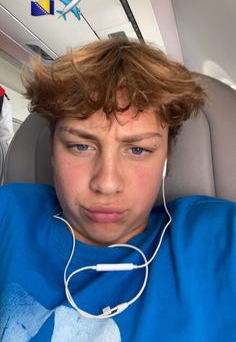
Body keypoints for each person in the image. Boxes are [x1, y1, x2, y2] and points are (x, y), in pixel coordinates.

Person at [0, 39, 235, 341]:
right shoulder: (8, 215)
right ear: (52, 152)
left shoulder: (219, 240)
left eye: (137, 150)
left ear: (165, 158)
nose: (107, 183)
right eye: (80, 146)